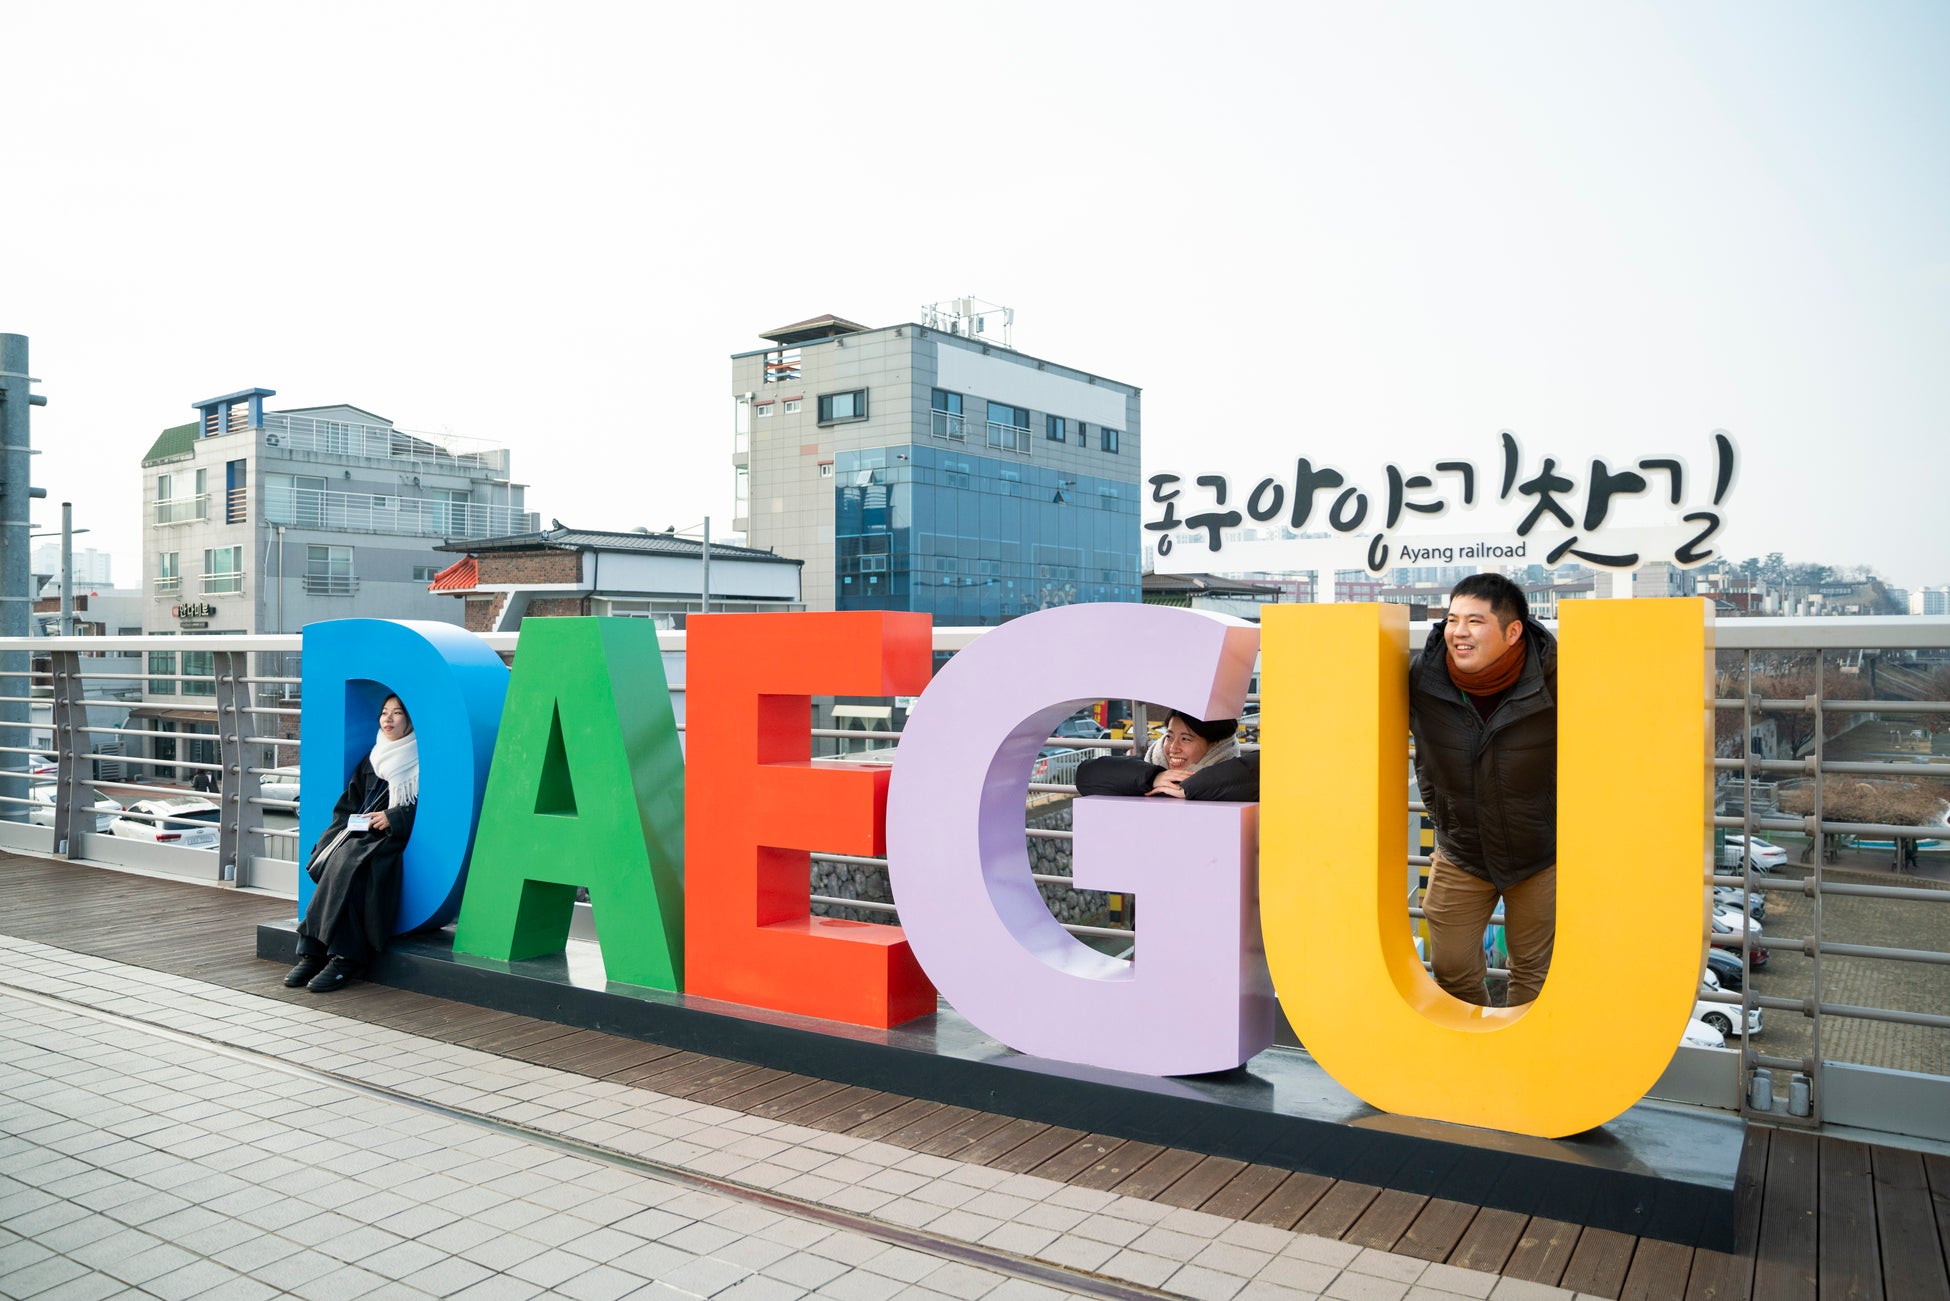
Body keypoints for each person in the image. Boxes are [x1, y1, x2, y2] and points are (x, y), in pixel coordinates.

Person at [1409, 574, 1557, 1007]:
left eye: (1475, 621)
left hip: (1541, 854)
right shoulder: (1423, 678)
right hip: (1462, 850)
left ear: (1513, 632)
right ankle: (1476, 1039)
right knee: (1450, 968)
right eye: (1452, 619)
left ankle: (1525, 1049)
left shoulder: (1556, 676)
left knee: (1535, 975)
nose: (1459, 632)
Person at [284, 695, 419, 993]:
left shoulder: (419, 762)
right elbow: (348, 806)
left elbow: (434, 811)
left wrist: (394, 817)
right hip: (359, 836)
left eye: (397, 713)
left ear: (410, 721)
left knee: (351, 864)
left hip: (393, 840)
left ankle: (342, 958)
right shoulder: (374, 757)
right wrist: (329, 840)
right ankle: (315, 953)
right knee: (337, 857)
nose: (388, 719)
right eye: (384, 712)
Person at [1075, 710, 1259, 801]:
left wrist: (1189, 787)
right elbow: (1086, 775)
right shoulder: (1152, 767)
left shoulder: (1239, 779)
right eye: (1169, 736)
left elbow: (1265, 768)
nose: (1173, 748)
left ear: (1216, 745)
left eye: (1186, 739)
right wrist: (1153, 778)